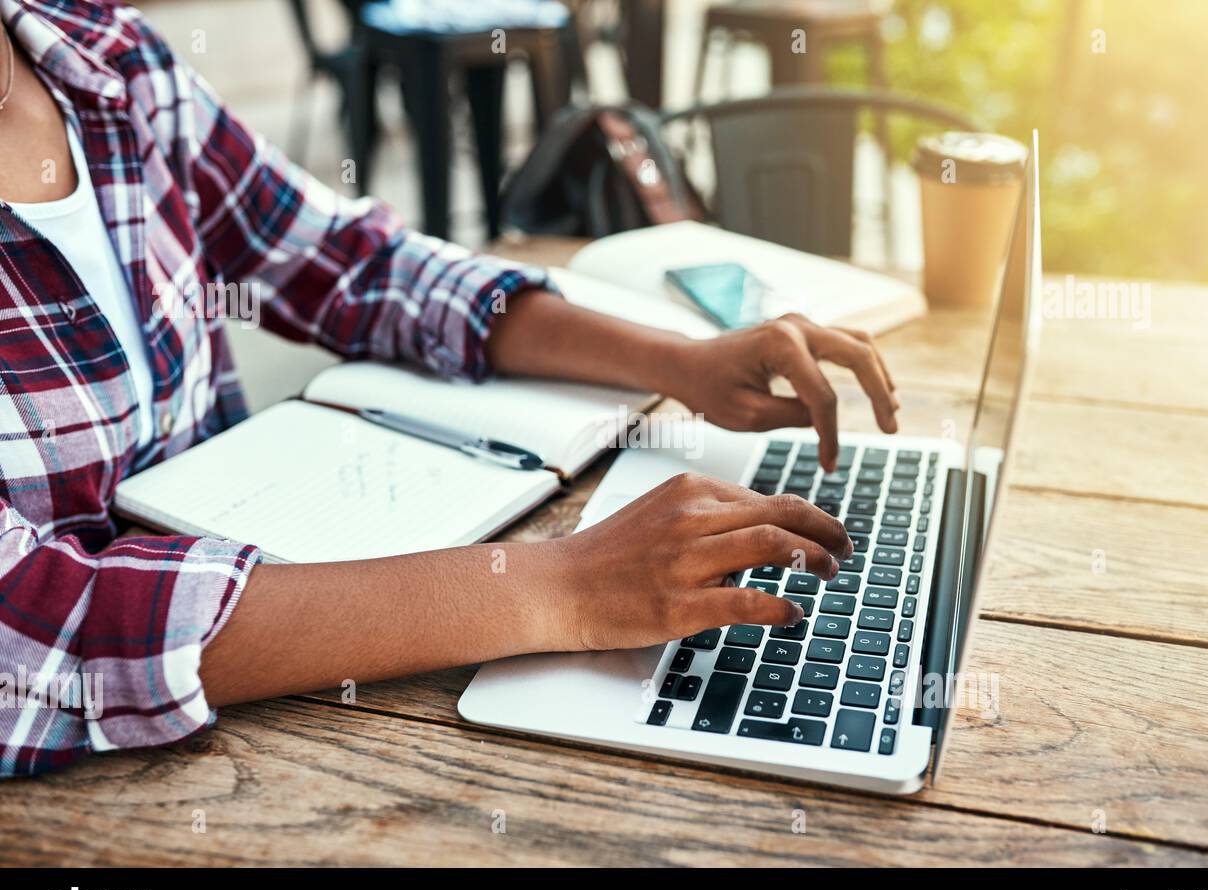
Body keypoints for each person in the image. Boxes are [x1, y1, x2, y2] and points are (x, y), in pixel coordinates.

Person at [0, 0, 898, 777]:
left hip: (291, 647)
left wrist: (680, 361)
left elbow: (352, 263)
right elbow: (28, 641)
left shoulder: (102, 57)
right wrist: (561, 587)